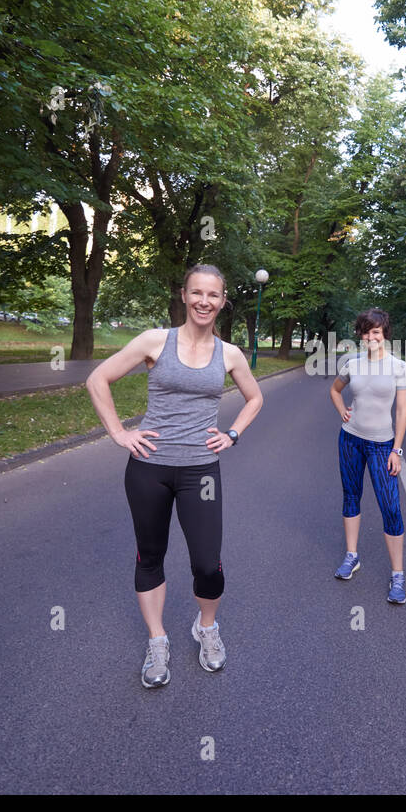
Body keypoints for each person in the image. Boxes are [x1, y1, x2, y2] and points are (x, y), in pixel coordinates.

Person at [86, 264, 263, 689]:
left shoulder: (230, 354)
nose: (204, 301)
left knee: (207, 563)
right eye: (197, 292)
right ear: (184, 295)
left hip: (200, 470)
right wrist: (119, 433)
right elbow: (98, 378)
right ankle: (157, 640)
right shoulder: (155, 341)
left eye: (213, 295)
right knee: (150, 556)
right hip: (149, 467)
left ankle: (206, 627)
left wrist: (232, 434)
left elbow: (255, 397)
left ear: (222, 302)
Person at [329, 309, 406, 604]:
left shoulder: (399, 367)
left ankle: (397, 574)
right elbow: (336, 390)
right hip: (350, 439)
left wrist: (396, 450)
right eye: (365, 332)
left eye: (376, 332)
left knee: (390, 507)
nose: (370, 337)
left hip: (381, 445)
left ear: (385, 333)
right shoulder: (352, 363)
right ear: (360, 334)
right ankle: (352, 556)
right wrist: (341, 409)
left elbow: (401, 412)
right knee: (351, 496)